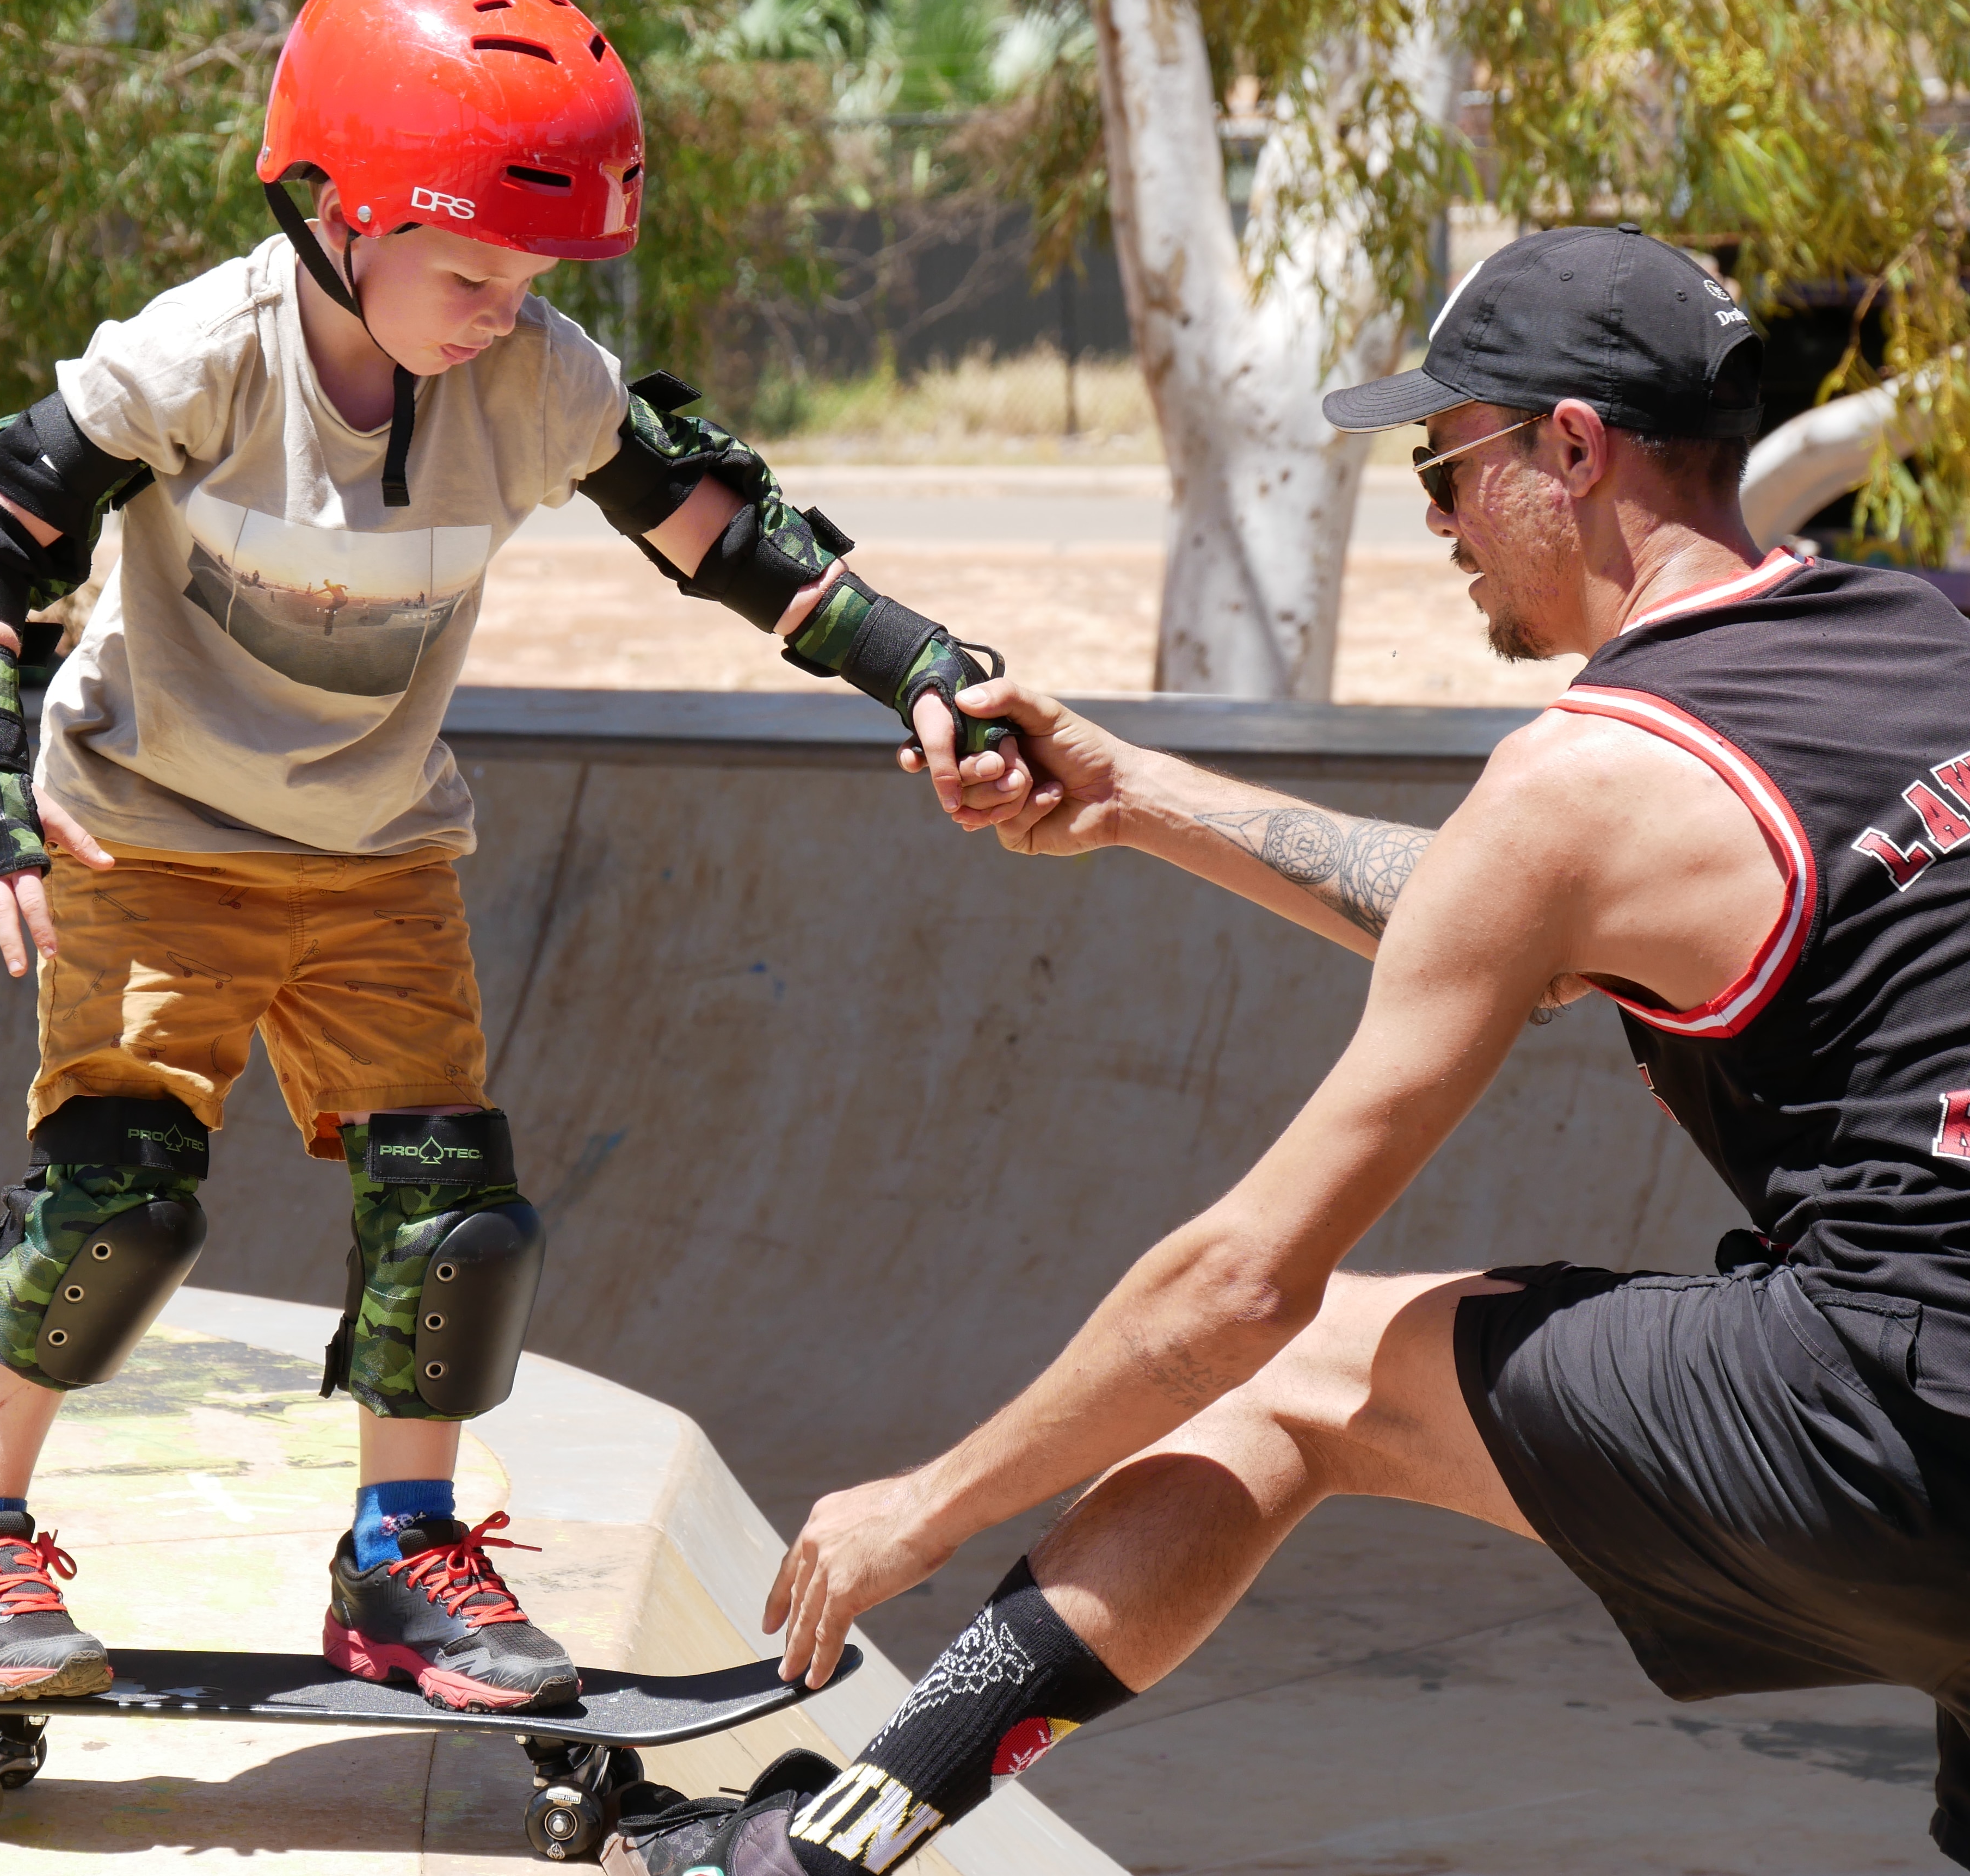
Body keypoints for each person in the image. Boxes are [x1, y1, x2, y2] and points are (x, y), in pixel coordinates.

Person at [604, 223, 1970, 1874]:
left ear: (1574, 448)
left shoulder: (1590, 780)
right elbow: (1491, 922)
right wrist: (1132, 795)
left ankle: (805, 1855)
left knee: (1295, 1377)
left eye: (1443, 463)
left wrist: (932, 1500)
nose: (1436, 517)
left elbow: (1243, 1288)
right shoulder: (1931, 631)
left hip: (1904, 1418)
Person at [0, 0, 1034, 1714]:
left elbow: (737, 548)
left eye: (534, 282)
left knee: (452, 1222)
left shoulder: (536, 375)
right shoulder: (212, 351)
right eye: (474, 277)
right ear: (344, 217)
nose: (510, 317)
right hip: (150, 839)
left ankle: (397, 1562)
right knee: (113, 1205)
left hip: (376, 862)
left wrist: (928, 667)